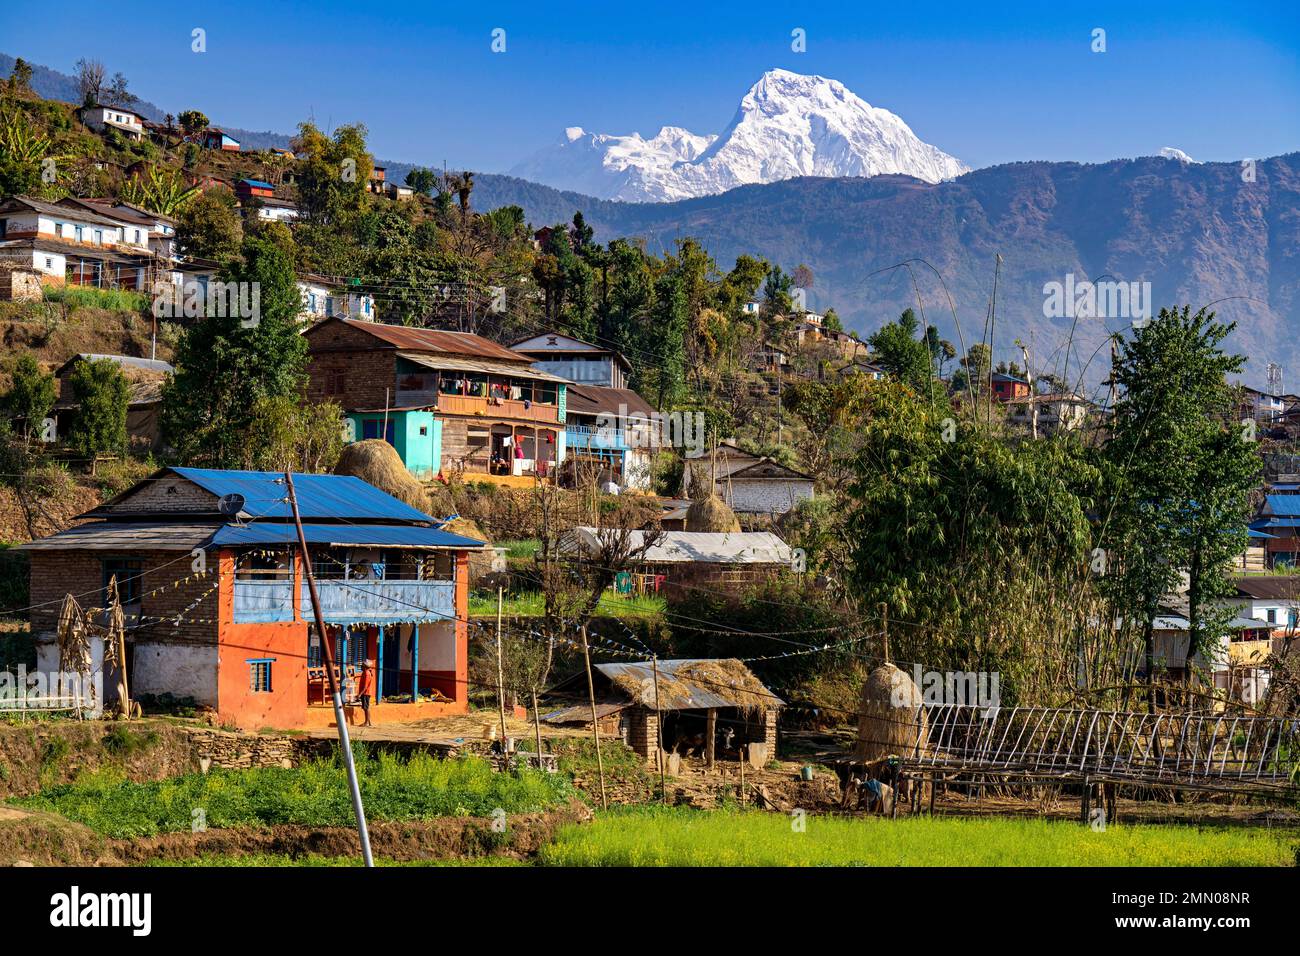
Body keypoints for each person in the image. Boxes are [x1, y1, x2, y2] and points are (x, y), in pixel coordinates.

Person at [356, 659, 375, 727]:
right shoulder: (365, 673)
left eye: (362, 665)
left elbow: (365, 686)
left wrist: (360, 694)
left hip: (366, 693)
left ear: (365, 667)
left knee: (365, 708)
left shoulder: (367, 673)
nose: (361, 666)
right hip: (365, 693)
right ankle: (369, 722)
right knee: (366, 707)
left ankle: (366, 722)